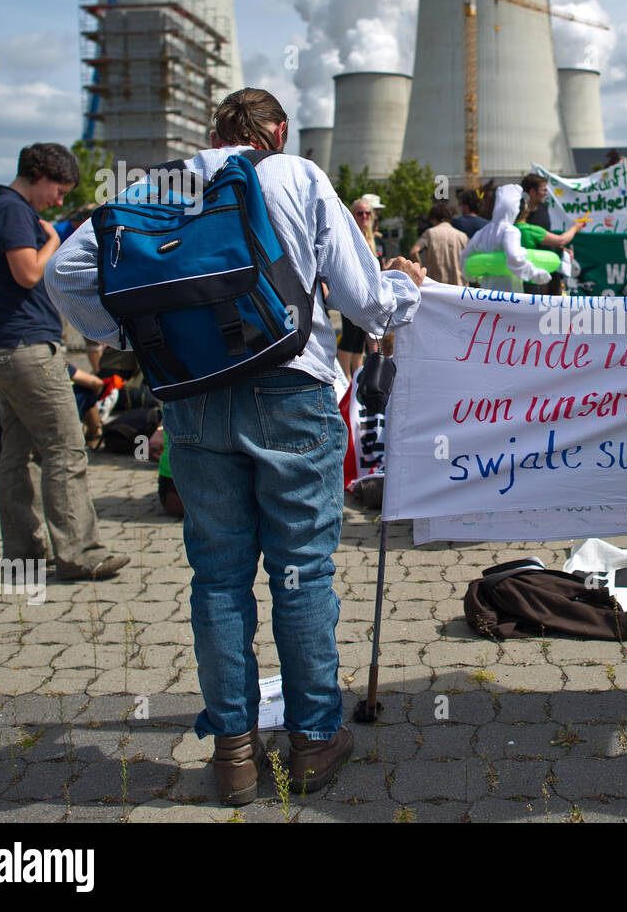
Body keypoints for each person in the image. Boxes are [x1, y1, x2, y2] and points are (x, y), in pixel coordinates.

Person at [47, 88, 426, 806]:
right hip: (290, 393)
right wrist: (406, 292)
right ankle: (314, 740)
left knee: (218, 578)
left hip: (190, 400)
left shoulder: (166, 180)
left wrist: (136, 336)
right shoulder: (297, 175)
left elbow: (64, 272)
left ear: (212, 130)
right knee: (302, 573)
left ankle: (234, 752)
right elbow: (364, 300)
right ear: (277, 131)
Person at [0, 143, 129, 582]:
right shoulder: (13, 211)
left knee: (17, 451)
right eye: (58, 190)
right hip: (25, 345)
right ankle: (80, 552)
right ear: (39, 175)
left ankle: (24, 553)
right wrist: (55, 242)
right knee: (65, 447)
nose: (59, 200)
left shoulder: (4, 208)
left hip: (6, 342)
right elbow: (27, 272)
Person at [459, 183, 553, 293]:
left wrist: (474, 277)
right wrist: (537, 275)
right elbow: (514, 259)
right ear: (515, 208)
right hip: (509, 294)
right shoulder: (510, 231)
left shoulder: (483, 232)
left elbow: (464, 257)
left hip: (487, 292)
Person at [335, 195, 384, 378]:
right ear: (352, 215)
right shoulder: (346, 237)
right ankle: (346, 382)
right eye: (359, 213)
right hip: (351, 291)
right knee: (349, 336)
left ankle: (355, 380)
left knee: (360, 341)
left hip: (369, 294)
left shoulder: (374, 240)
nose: (364, 217)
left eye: (367, 213)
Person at [410, 201, 469, 286]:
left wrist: (422, 270)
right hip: (459, 285)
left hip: (436, 285)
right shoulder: (462, 236)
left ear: (433, 218)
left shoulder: (430, 233)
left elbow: (414, 251)